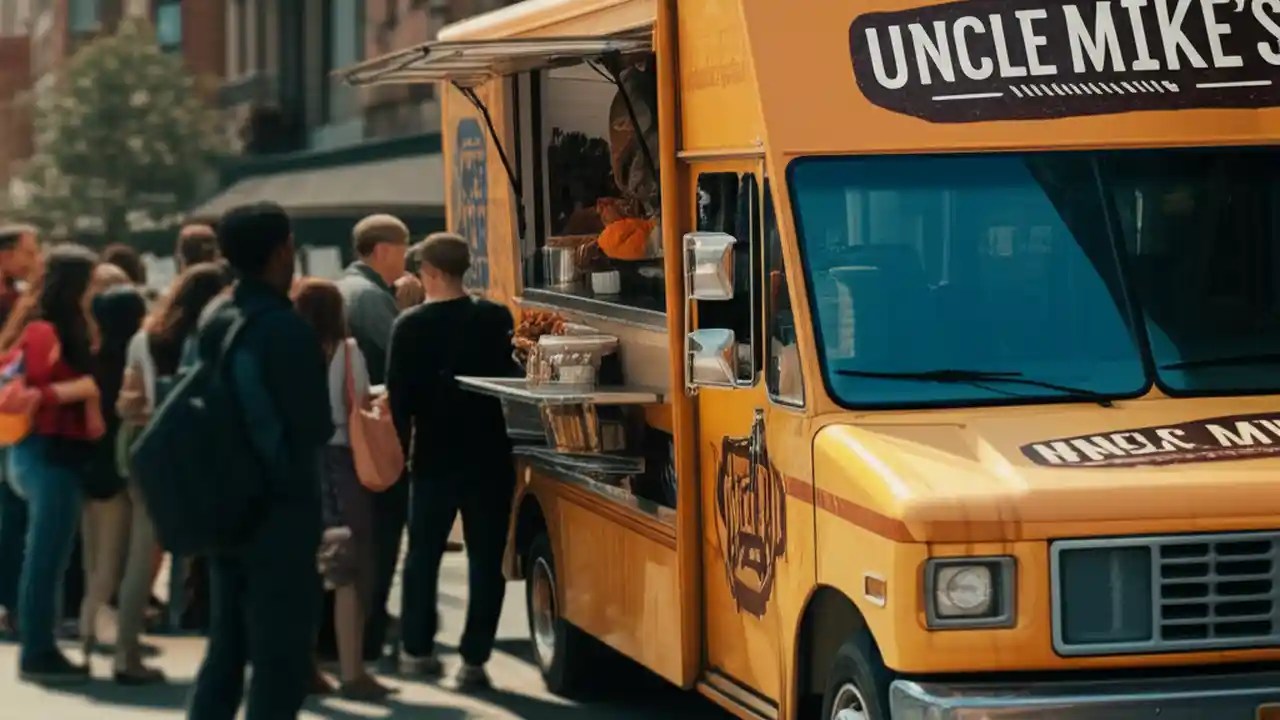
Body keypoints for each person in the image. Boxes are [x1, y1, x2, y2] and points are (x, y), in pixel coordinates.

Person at [187, 202, 333, 720]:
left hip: (224, 503)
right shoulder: (287, 330)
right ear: (282, 251)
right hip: (282, 512)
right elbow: (315, 427)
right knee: (280, 660)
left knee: (225, 649)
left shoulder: (216, 318)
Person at [388, 232, 519, 689]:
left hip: (432, 456)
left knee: (422, 557)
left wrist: (400, 454)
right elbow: (510, 377)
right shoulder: (495, 317)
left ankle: (416, 650)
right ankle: (473, 660)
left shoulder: (409, 326)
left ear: (430, 273)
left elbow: (399, 402)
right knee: (486, 559)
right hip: (489, 453)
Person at [115, 262, 230, 684]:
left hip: (153, 449)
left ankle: (126, 652)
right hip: (202, 454)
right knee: (220, 553)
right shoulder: (213, 339)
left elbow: (128, 401)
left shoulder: (145, 337)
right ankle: (222, 650)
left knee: (142, 556)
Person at [293, 279, 394, 700]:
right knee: (348, 569)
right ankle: (352, 671)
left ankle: (305, 667)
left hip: (298, 461)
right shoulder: (348, 351)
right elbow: (360, 401)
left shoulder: (290, 351)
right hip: (341, 459)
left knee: (303, 569)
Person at [7, 244, 103, 684]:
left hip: (36, 452)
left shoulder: (37, 323)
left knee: (45, 556)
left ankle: (39, 645)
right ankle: (38, 649)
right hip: (47, 451)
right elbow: (30, 392)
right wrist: (81, 389)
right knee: (45, 559)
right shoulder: (46, 329)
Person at [333, 214, 411, 662]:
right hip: (375, 434)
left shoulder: (342, 288)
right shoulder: (370, 298)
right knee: (382, 538)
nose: (406, 258)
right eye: (403, 249)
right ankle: (371, 627)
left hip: (343, 435)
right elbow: (403, 357)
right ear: (382, 250)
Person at [77, 271, 147, 666]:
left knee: (94, 562)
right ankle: (87, 635)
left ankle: (88, 635)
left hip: (89, 467)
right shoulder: (128, 365)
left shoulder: (90, 360)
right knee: (110, 566)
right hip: (114, 473)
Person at [0, 224, 41, 638]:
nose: (35, 259)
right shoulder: (11, 303)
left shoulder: (17, 298)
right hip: (7, 417)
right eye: (28, 252)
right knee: (11, 512)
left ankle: (12, 603)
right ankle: (12, 605)